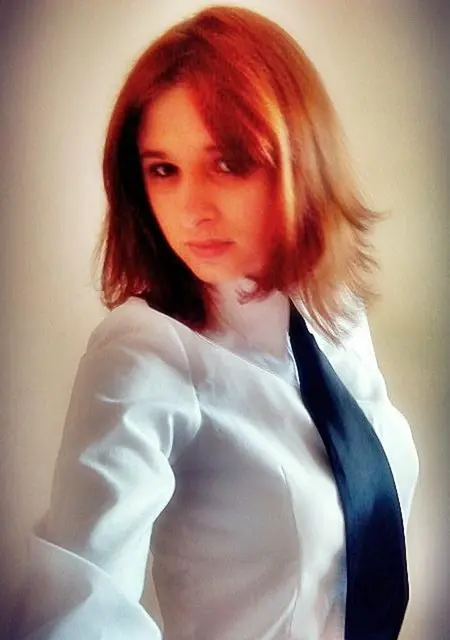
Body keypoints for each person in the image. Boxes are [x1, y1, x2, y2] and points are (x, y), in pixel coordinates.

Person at [13, 5, 419, 639]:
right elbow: (73, 608)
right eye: (163, 170)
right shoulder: (143, 352)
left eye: (228, 163)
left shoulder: (333, 311)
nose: (192, 209)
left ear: (299, 160)